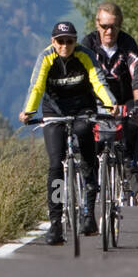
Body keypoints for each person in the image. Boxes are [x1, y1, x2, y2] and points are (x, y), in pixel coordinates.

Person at [20, 21, 117, 243]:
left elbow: (98, 81)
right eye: (60, 41)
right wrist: (28, 110)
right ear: (53, 42)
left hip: (83, 109)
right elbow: (37, 86)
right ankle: (55, 224)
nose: (65, 46)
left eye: (70, 41)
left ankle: (88, 214)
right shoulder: (46, 57)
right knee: (55, 164)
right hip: (54, 111)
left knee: (86, 154)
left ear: (75, 41)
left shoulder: (85, 55)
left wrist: (110, 102)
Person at [80, 2, 138, 192]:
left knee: (133, 120)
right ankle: (91, 173)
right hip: (95, 99)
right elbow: (81, 75)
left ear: (120, 25)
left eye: (113, 26)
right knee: (88, 131)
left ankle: (129, 163)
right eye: (104, 26)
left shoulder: (128, 43)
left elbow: (137, 74)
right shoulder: (88, 44)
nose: (109, 31)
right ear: (97, 25)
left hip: (123, 98)